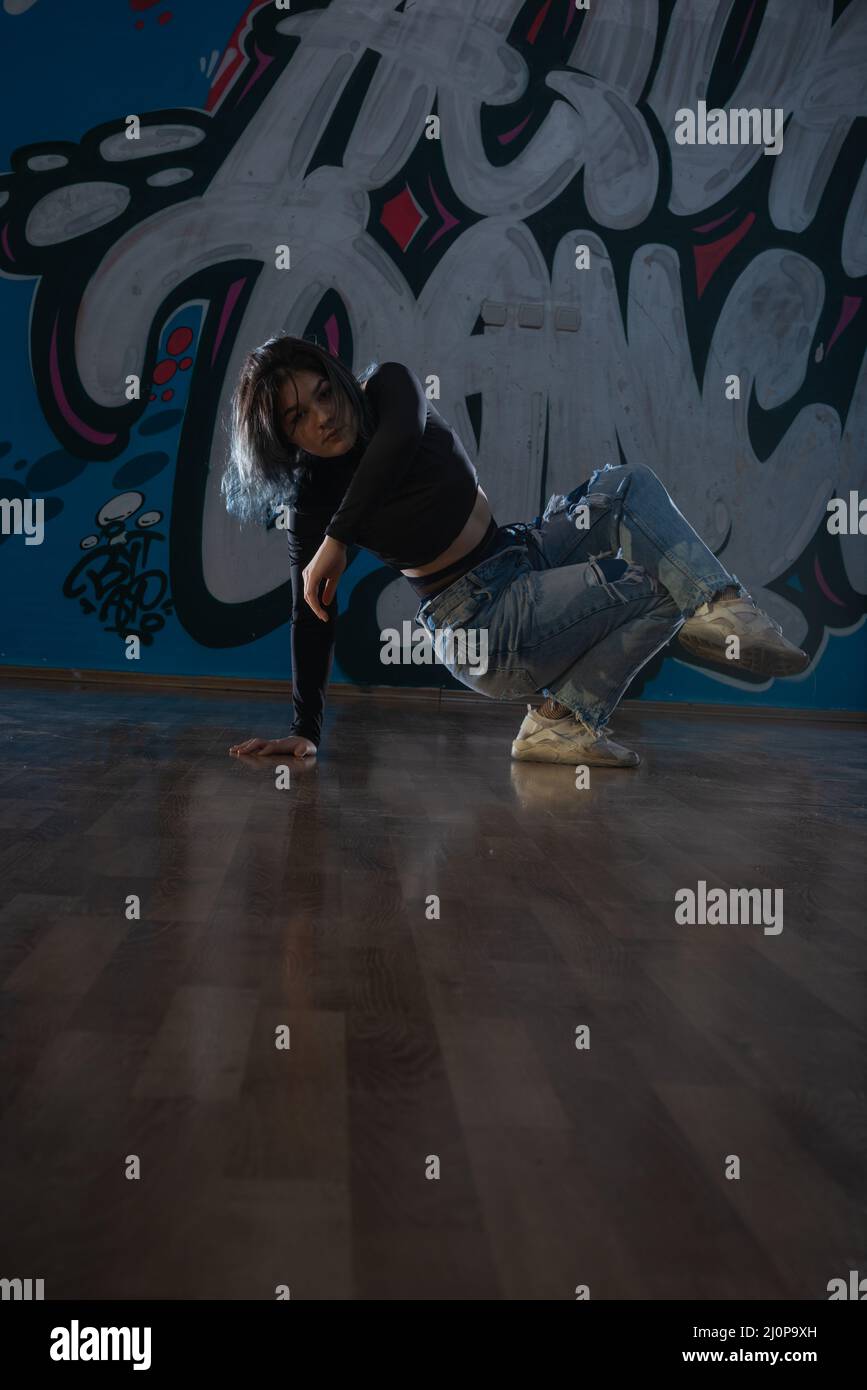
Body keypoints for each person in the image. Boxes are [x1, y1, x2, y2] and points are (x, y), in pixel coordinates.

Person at [222, 334, 808, 768]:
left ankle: (710, 614)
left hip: (520, 555)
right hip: (482, 623)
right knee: (656, 582)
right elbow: (311, 615)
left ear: (337, 377)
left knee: (627, 488)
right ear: (283, 439)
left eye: (324, 392)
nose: (324, 416)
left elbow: (398, 443)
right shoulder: (315, 499)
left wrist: (338, 539)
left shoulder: (389, 390)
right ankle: (582, 711)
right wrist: (305, 728)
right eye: (299, 417)